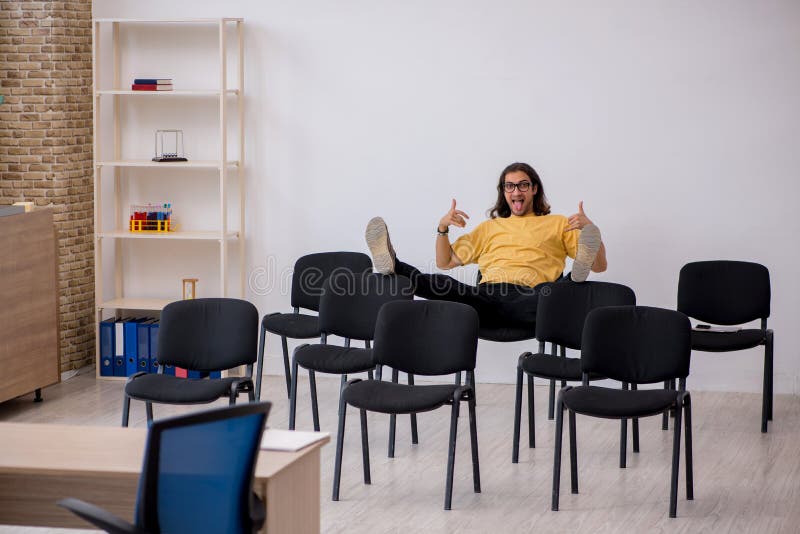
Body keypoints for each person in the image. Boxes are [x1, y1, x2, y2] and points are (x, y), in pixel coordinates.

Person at [364, 162, 607, 329]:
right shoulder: (490, 228)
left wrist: (588, 229)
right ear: (504, 192)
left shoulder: (558, 223)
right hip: (487, 297)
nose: (516, 191)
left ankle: (573, 279)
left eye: (523, 185)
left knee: (556, 293)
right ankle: (392, 264)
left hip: (534, 297)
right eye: (509, 186)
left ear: (534, 189)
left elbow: (599, 267)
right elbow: (445, 262)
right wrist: (442, 228)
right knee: (444, 285)